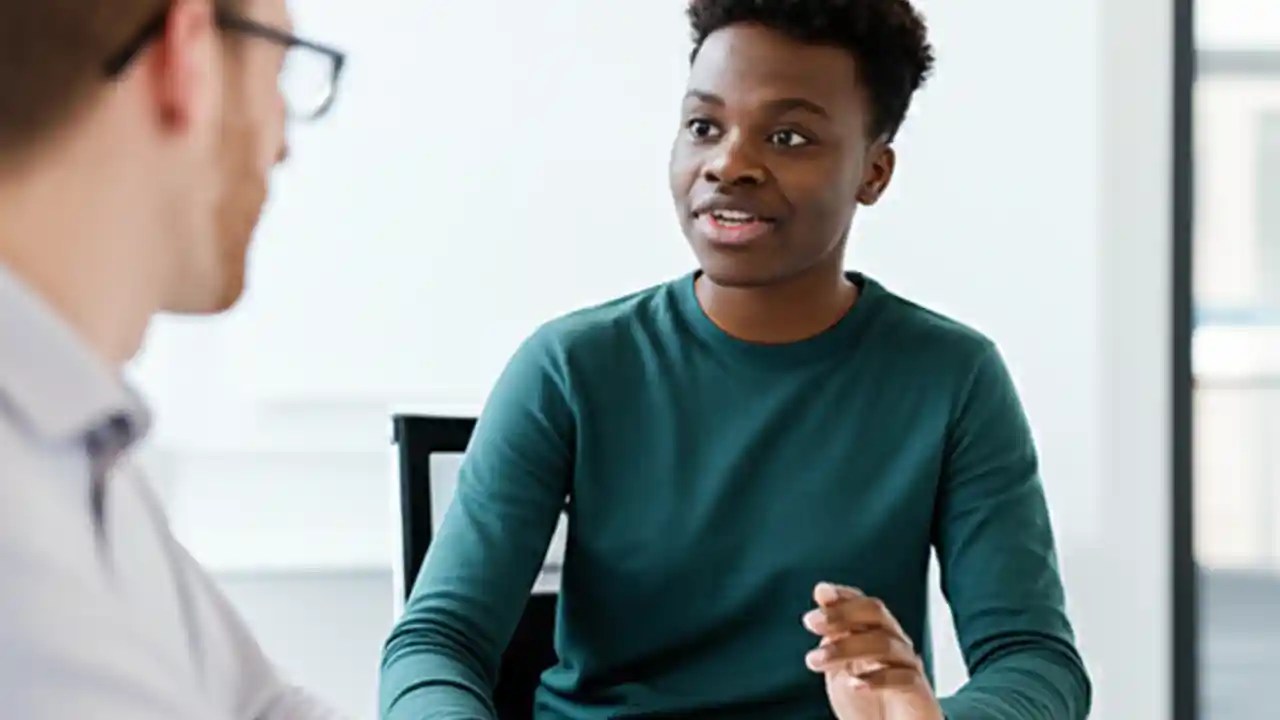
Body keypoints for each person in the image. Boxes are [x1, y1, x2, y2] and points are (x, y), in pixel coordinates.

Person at [380, 0, 1091, 719]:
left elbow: (1035, 662)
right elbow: (437, 641)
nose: (730, 164)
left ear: (873, 173)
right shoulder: (569, 369)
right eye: (703, 127)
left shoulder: (952, 379)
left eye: (788, 136)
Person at [0, 1, 349, 718]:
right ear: (186, 56)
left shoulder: (84, 452)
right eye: (279, 69)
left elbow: (263, 708)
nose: (281, 143)